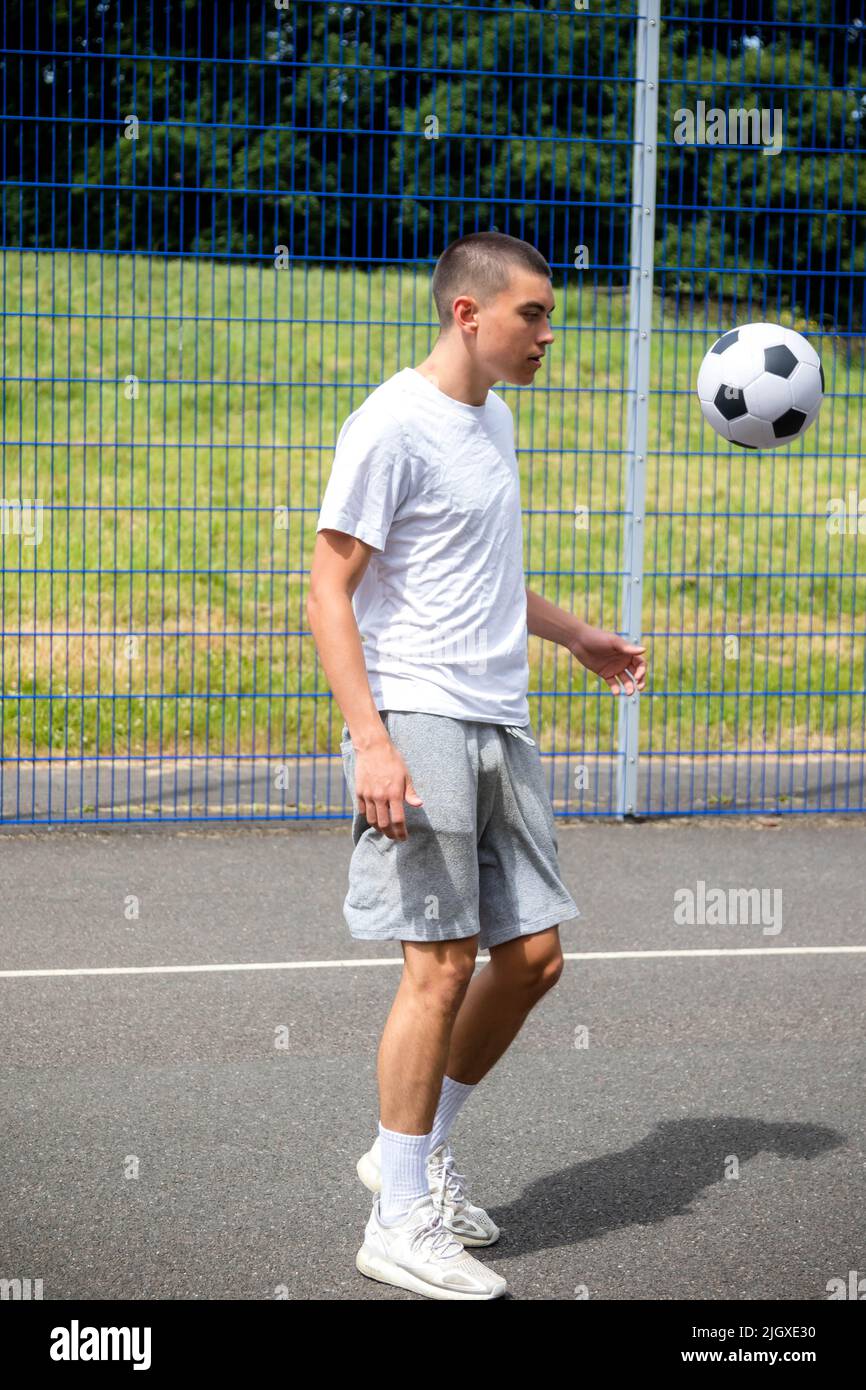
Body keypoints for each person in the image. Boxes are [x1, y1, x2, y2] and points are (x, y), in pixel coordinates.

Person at [307, 231, 647, 1300]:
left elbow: (481, 573)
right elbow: (326, 588)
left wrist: (576, 635)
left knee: (534, 958)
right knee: (438, 967)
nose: (548, 335)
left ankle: (406, 1155)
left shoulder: (489, 418)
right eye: (533, 315)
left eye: (548, 316)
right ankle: (396, 1215)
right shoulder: (392, 425)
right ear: (467, 313)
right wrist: (371, 736)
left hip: (500, 717)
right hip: (419, 716)